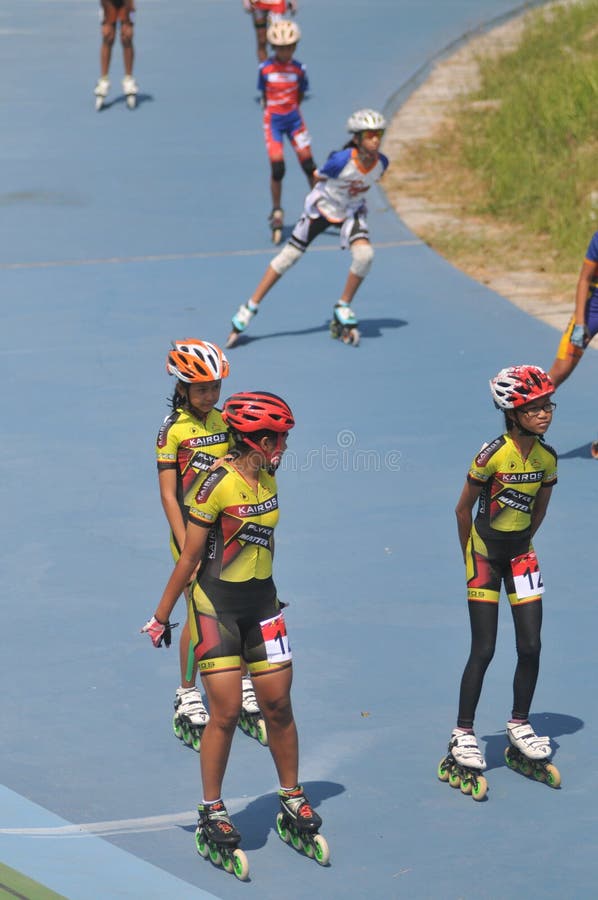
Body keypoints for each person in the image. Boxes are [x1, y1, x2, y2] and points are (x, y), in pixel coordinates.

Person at [143, 392, 328, 870]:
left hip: (264, 606)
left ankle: (292, 796)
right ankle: (212, 810)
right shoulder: (215, 485)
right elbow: (190, 556)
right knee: (224, 711)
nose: (285, 446)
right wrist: (162, 615)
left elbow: (264, 538)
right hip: (216, 608)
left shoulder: (268, 474)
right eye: (280, 438)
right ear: (260, 441)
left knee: (279, 706)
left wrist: (270, 594)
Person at [440, 366, 559, 798]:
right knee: (485, 647)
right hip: (484, 557)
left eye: (547, 405)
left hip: (522, 555)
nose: (544, 413)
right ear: (512, 414)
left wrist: (521, 546)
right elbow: (462, 510)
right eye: (534, 408)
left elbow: (539, 510)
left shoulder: (547, 458)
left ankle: (519, 723)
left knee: (531, 646)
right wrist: (469, 556)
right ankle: (462, 732)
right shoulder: (491, 455)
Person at [156, 340, 262, 751]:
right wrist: (188, 548)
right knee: (198, 611)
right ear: (182, 387)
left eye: (215, 387)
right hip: (189, 533)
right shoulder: (173, 431)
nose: (210, 395)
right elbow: (169, 496)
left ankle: (246, 684)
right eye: (201, 388)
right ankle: (187, 694)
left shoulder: (225, 421)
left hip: (228, 532)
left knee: (241, 602)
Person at [226, 109, 389, 349]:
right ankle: (248, 308)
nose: (375, 140)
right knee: (288, 257)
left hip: (350, 213)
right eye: (369, 135)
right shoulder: (340, 161)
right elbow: (317, 177)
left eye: (379, 134)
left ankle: (343, 306)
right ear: (356, 138)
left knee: (365, 256)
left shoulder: (382, 163)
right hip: (322, 210)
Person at [258, 19, 316, 245]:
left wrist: (292, 111)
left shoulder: (299, 70)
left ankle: (321, 206)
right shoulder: (265, 70)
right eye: (280, 48)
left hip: (294, 121)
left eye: (289, 48)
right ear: (274, 48)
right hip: (274, 122)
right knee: (278, 168)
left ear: (295, 47)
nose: (285, 52)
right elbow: (264, 94)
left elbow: (300, 94)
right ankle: (276, 209)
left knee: (309, 165)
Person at [548, 230, 598, 457]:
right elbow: (584, 279)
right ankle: (522, 423)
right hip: (592, 307)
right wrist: (580, 323)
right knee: (561, 368)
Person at [94, 0, 138, 110]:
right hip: (108, 2)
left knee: (127, 36)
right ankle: (103, 80)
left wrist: (131, 8)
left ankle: (129, 79)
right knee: (107, 36)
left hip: (126, 2)